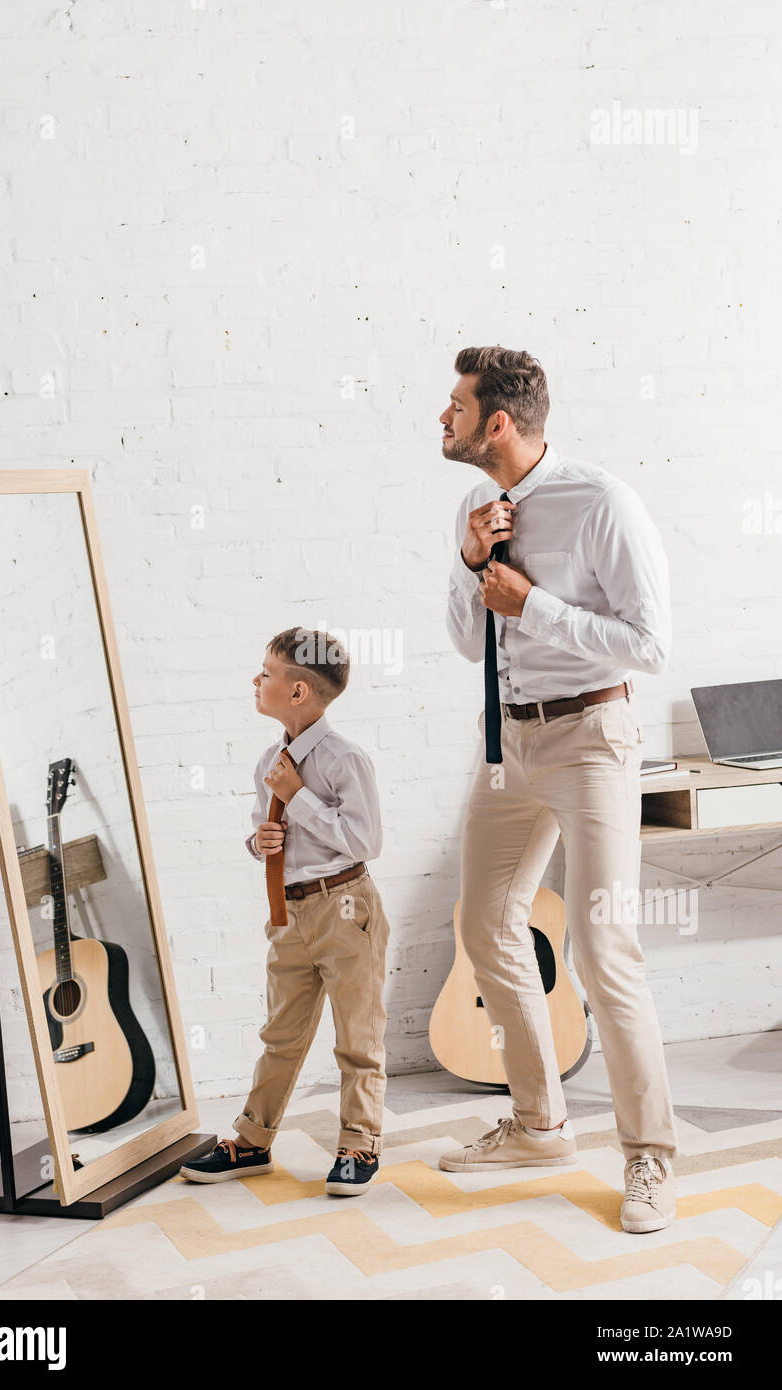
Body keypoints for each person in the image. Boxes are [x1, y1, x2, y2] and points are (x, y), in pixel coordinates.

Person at [438, 345, 678, 1235]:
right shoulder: (475, 505)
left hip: (591, 738)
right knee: (483, 922)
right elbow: (470, 643)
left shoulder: (602, 502)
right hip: (508, 743)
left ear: (497, 422)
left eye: (454, 406)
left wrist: (530, 605)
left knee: (603, 945)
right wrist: (473, 569)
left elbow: (650, 645)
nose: (443, 418)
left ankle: (649, 1160)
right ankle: (540, 1124)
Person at [180, 626, 390, 1196]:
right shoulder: (270, 761)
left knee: (358, 1037)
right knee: (281, 1035)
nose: (256, 680)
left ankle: (359, 1145)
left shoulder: (345, 760)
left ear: (299, 691)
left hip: (346, 910)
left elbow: (364, 841)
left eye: (266, 673)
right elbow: (264, 832)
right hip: (291, 913)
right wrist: (262, 843)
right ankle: (252, 1140)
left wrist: (298, 795)